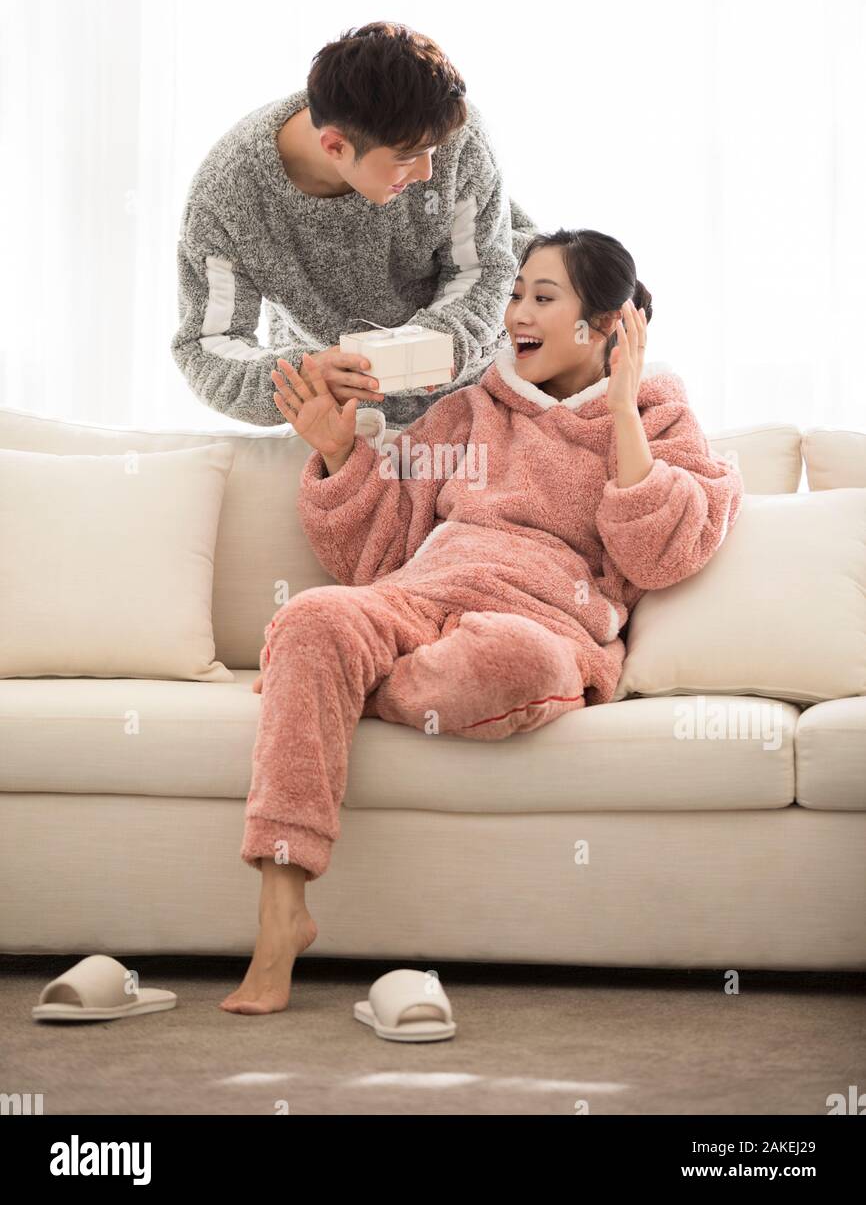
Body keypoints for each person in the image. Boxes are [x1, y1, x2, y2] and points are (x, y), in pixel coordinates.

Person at [221, 228, 745, 1014]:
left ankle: (325, 686)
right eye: (515, 294)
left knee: (509, 665)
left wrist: (626, 407)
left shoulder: (663, 423)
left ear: (604, 324)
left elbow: (661, 553)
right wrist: (340, 455)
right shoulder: (470, 409)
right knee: (313, 619)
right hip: (420, 595)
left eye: (543, 296)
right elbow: (381, 545)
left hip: (539, 625)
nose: (517, 313)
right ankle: (279, 914)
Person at [171, 21, 537, 429]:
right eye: (407, 156)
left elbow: (484, 274)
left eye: (433, 151)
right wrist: (306, 379)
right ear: (334, 146)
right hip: (350, 420)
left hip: (494, 381)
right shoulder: (227, 196)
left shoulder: (455, 134)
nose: (428, 172)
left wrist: (410, 358)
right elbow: (206, 348)